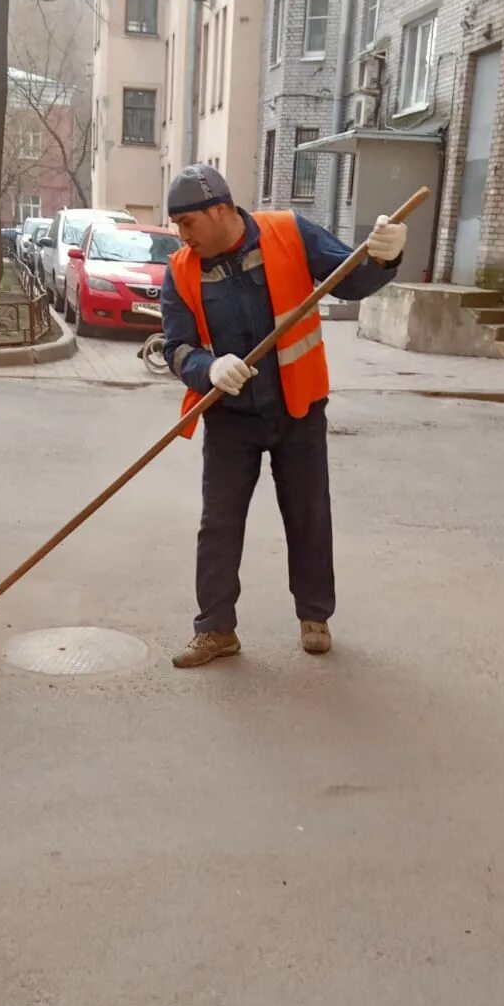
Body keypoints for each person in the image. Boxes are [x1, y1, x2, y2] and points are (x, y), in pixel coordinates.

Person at [161, 164, 406, 668]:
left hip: (299, 409)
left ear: (220, 210)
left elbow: (352, 279)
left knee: (308, 514)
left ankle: (315, 615)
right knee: (219, 524)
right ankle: (215, 629)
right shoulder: (182, 269)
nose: (181, 236)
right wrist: (208, 369)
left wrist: (386, 255)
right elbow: (176, 348)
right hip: (230, 419)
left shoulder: (289, 232)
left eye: (187, 223)